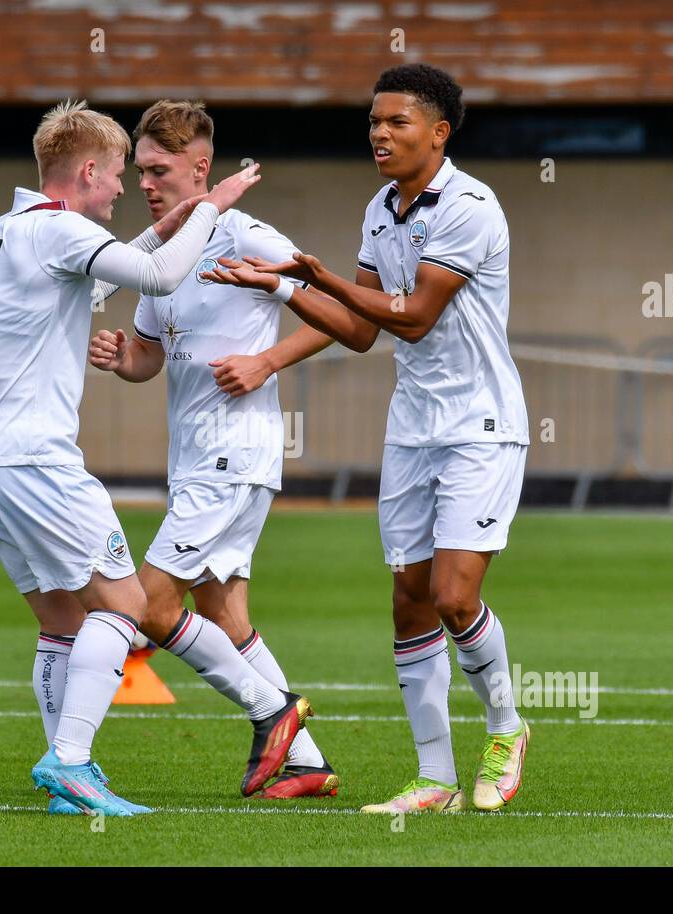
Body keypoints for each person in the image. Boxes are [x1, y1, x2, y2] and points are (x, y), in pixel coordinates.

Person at [0, 100, 309, 817]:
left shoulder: (7, 230)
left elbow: (117, 270)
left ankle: (72, 788)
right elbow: (163, 277)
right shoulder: (59, 229)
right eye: (117, 175)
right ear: (86, 171)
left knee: (61, 621)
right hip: (35, 459)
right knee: (126, 604)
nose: (122, 189)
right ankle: (74, 763)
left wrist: (173, 222)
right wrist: (211, 206)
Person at [205, 65, 531, 813]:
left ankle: (508, 727)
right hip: (412, 430)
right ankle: (435, 778)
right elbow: (357, 329)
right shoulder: (380, 208)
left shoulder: (471, 206)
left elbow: (412, 315)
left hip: (481, 423)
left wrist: (313, 274)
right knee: (409, 602)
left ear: (439, 133)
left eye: (397, 123)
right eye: (374, 123)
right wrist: (284, 292)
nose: (380, 135)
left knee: (453, 596)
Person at [88, 100, 339, 799]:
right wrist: (121, 358)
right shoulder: (166, 250)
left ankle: (275, 713)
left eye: (159, 169)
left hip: (237, 454)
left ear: (201, 167)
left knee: (149, 606)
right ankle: (310, 763)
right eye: (139, 170)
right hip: (197, 460)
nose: (144, 182)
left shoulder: (248, 235)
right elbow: (148, 356)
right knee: (227, 617)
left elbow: (343, 316)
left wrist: (267, 362)